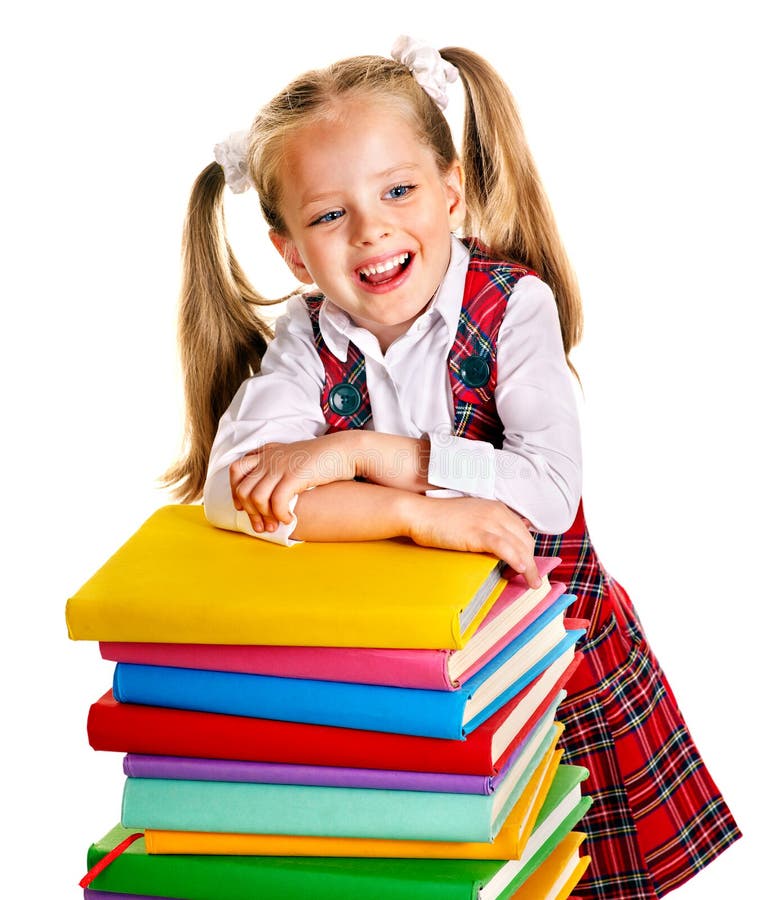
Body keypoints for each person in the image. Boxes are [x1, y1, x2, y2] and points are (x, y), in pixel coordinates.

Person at [164, 36, 740, 898]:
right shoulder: (305, 344)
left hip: (553, 666)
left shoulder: (513, 306)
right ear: (291, 253)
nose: (371, 230)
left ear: (450, 192)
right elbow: (235, 494)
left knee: (564, 873)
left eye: (397, 191)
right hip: (407, 678)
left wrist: (358, 456)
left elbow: (546, 492)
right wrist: (415, 515)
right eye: (328, 215)